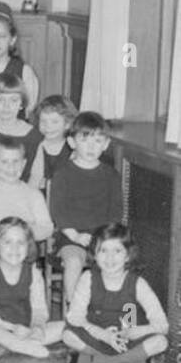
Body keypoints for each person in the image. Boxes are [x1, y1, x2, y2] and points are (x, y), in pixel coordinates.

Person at [62, 222, 168, 363]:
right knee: (68, 335)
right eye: (103, 250)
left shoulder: (138, 283)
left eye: (117, 251)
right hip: (98, 336)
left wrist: (140, 331)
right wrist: (102, 334)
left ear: (128, 256)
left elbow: (163, 325)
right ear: (95, 254)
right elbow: (74, 317)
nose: (109, 258)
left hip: (128, 340)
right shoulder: (88, 278)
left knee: (160, 342)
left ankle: (99, 361)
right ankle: (133, 360)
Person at [49, 111, 123, 288]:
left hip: (103, 237)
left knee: (118, 261)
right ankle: (74, 310)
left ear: (106, 144)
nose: (91, 147)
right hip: (71, 235)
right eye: (84, 140)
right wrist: (74, 235)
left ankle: (108, 308)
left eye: (97, 141)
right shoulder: (63, 175)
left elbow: (116, 211)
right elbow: (58, 211)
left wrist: (104, 237)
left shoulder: (111, 175)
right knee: (74, 261)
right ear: (72, 142)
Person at [0, 217, 63, 358]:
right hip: (0, 327)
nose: (14, 248)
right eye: (8, 242)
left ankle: (15, 346)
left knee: (64, 327)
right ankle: (26, 346)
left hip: (27, 329)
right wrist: (11, 328)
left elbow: (39, 309)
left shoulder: (33, 273)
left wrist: (37, 327)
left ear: (28, 246)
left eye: (20, 243)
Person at [0, 137, 55, 259]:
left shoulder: (33, 194)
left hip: (23, 246)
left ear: (23, 164)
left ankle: (24, 276)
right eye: (4, 162)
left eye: (16, 161)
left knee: (20, 244)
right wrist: (0, 230)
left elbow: (47, 228)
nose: (11, 167)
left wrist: (22, 231)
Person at [27, 95, 78, 191]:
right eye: (43, 121)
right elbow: (34, 181)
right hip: (38, 197)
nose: (48, 127)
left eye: (54, 122)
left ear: (67, 124)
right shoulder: (37, 145)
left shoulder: (72, 148)